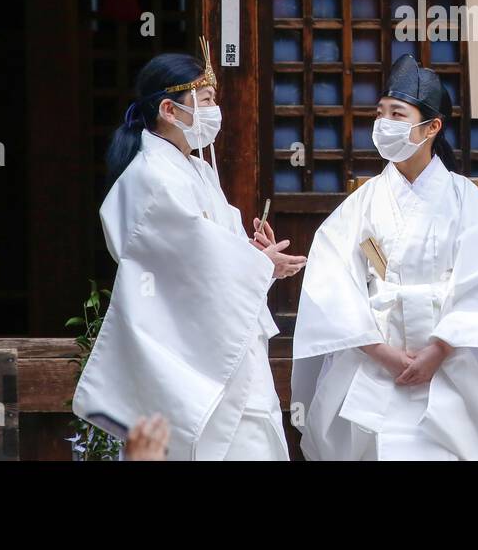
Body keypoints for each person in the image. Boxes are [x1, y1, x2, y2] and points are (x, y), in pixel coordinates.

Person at [291, 54, 478, 460]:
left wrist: (439, 348)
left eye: (397, 113)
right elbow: (331, 282)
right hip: (378, 358)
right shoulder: (363, 204)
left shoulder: (465, 199)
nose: (385, 123)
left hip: (451, 358)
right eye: (380, 113)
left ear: (432, 127)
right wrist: (382, 352)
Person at [72, 39, 305, 460]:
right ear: (169, 109)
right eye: (206, 99)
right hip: (188, 347)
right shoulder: (146, 176)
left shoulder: (197, 169)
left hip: (229, 341)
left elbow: (215, 249)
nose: (214, 111)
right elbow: (183, 257)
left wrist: (258, 256)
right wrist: (255, 264)